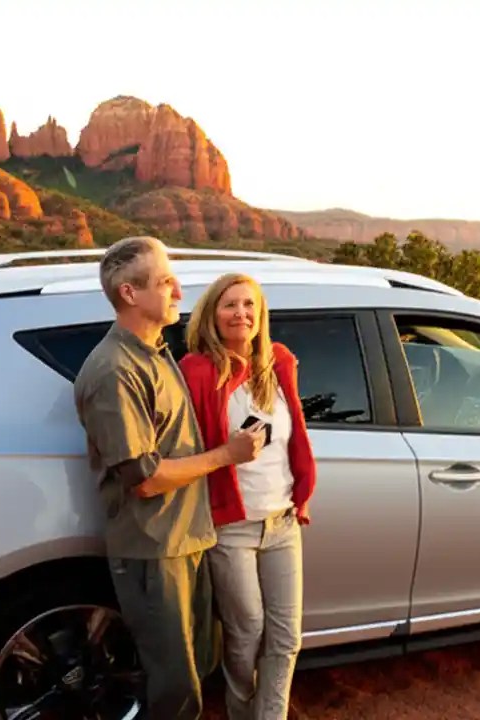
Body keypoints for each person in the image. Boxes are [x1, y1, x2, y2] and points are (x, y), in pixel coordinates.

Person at [73, 237, 266, 720]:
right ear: (128, 293)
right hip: (154, 550)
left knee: (195, 669)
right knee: (174, 686)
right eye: (164, 281)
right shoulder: (113, 371)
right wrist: (228, 454)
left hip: (186, 540)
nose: (179, 289)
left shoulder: (155, 352)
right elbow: (146, 479)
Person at [178, 272, 317, 720]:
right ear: (211, 315)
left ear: (261, 313)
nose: (241, 314)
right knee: (246, 630)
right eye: (229, 305)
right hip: (231, 526)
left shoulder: (277, 363)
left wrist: (303, 490)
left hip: (282, 521)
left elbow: (294, 435)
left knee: (285, 637)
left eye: (249, 305)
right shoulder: (199, 371)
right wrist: (227, 454)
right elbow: (186, 447)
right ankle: (240, 710)